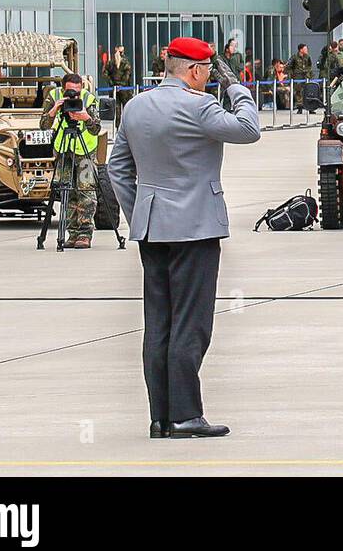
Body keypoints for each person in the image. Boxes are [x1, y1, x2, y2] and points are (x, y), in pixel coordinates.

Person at [107, 37, 261, 439]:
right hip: (195, 228)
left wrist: (141, 211)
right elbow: (248, 129)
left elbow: (118, 170)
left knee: (158, 324)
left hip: (152, 229)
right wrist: (236, 88)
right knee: (191, 325)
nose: (210, 78)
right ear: (194, 71)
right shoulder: (199, 106)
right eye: (209, 71)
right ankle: (186, 416)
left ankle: (160, 417)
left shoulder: (135, 106)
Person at [39, 72, 102, 249]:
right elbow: (43, 125)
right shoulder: (54, 96)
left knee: (86, 191)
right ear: (62, 88)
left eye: (76, 91)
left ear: (81, 87)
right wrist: (54, 110)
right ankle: (72, 233)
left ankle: (84, 234)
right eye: (69, 92)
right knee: (66, 191)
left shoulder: (88, 100)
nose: (73, 96)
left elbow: (96, 128)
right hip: (63, 149)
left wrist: (86, 118)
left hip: (85, 151)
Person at [104, 45, 134, 117]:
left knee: (118, 109)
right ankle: (124, 126)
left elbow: (105, 74)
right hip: (124, 89)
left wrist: (113, 84)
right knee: (126, 109)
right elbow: (127, 75)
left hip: (116, 88)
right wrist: (120, 85)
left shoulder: (110, 62)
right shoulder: (125, 62)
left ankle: (118, 127)